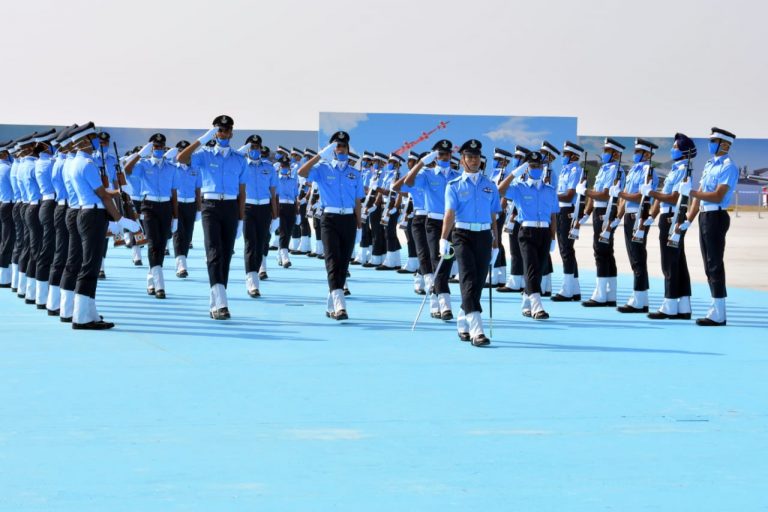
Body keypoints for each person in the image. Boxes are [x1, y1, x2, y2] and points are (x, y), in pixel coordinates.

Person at [69, 122, 141, 329]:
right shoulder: (87, 164)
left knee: (91, 265)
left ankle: (89, 313)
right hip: (92, 214)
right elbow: (102, 194)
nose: (95, 142)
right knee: (89, 265)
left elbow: (102, 192)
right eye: (92, 138)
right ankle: (81, 317)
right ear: (84, 141)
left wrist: (118, 193)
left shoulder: (78, 162)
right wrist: (120, 215)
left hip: (89, 212)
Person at [176, 115, 246, 320]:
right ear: (215, 132)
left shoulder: (239, 159)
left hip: (231, 206)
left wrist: (241, 218)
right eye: (219, 130)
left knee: (226, 254)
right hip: (210, 206)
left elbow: (242, 191)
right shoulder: (204, 154)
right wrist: (201, 140)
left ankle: (216, 300)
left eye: (226, 130)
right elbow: (181, 158)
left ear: (231, 132)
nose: (223, 134)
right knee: (214, 251)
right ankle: (222, 303)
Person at [297, 131, 363, 320]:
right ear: (332, 149)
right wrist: (320, 156)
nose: (341, 149)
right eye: (337, 146)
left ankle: (332, 304)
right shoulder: (322, 168)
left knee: (343, 263)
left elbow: (358, 200)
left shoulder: (354, 173)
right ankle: (341, 306)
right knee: (332, 260)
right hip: (329, 219)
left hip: (349, 219)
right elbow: (302, 173)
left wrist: (359, 224)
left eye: (343, 146)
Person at [441, 139, 500, 346]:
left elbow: (494, 215)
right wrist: (443, 238)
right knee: (467, 279)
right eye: (470, 157)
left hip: (484, 236)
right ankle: (477, 331)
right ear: (462, 160)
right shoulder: (454, 186)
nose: (474, 160)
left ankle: (462, 320)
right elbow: (449, 214)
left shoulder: (490, 186)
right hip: (462, 235)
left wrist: (496, 242)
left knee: (478, 283)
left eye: (476, 157)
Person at [682, 127, 739, 326]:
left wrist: (692, 193)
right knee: (708, 265)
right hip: (705, 216)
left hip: (716, 216)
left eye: (714, 140)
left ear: (725, 144)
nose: (710, 144)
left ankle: (719, 312)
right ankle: (715, 308)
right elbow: (700, 195)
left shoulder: (728, 166)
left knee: (715, 263)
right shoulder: (709, 164)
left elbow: (717, 195)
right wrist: (688, 219)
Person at [402, 139, 460, 320]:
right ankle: (445, 304)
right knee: (437, 262)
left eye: (447, 154)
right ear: (434, 156)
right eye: (440, 154)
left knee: (447, 264)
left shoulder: (457, 175)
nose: (445, 157)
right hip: (434, 223)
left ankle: (435, 302)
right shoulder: (427, 174)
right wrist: (421, 163)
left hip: (452, 224)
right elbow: (408, 182)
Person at [499, 152, 559, 319]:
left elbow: (553, 215)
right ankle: (537, 306)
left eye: (538, 166)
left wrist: (553, 237)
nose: (536, 169)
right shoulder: (519, 187)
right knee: (531, 268)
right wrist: (514, 173)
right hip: (526, 232)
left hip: (545, 232)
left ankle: (527, 302)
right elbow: (500, 191)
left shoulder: (550, 190)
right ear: (526, 168)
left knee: (538, 270)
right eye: (532, 166)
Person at [646, 133, 695, 320]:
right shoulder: (676, 170)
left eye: (675, 147)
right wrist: (652, 215)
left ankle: (669, 304)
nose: (672, 149)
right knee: (678, 261)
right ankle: (683, 306)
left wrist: (650, 192)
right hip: (667, 216)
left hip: (672, 218)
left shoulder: (683, 170)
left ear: (683, 151)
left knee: (670, 262)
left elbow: (674, 198)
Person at [125, 133, 178, 299]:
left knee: (161, 245)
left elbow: (174, 192)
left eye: (161, 147)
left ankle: (151, 280)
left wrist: (175, 216)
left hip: (166, 207)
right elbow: (127, 170)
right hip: (148, 206)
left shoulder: (171, 167)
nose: (159, 149)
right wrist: (140, 153)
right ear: (151, 148)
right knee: (153, 243)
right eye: (155, 147)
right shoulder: (143, 164)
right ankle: (160, 285)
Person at [578, 137, 625, 307]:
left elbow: (604, 195)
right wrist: (586, 213)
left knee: (601, 251)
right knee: (605, 251)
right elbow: (595, 195)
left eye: (606, 151)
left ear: (614, 154)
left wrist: (585, 191)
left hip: (607, 210)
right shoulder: (604, 169)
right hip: (599, 210)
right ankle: (610, 294)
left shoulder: (615, 170)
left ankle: (600, 295)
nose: (603, 153)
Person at [615, 138, 659, 313]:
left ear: (647, 154)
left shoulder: (649, 172)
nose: (635, 154)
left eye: (639, 152)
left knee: (638, 257)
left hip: (639, 215)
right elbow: (625, 199)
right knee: (634, 256)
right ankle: (641, 297)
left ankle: (639, 299)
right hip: (629, 215)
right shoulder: (634, 170)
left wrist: (620, 193)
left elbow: (640, 197)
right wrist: (617, 218)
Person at [242, 134, 278, 297]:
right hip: (248, 208)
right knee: (251, 244)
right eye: (252, 147)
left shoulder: (268, 167)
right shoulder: (241, 165)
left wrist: (275, 214)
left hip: (264, 208)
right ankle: (252, 282)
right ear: (247, 148)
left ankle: (255, 272)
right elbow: (238, 191)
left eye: (257, 147)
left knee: (261, 243)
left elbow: (273, 192)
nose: (255, 150)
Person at [552, 140, 584, 301]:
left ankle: (567, 289)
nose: (563, 156)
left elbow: (570, 194)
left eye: (565, 154)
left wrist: (551, 195)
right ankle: (575, 289)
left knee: (566, 250)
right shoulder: (565, 170)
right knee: (566, 249)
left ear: (573, 156)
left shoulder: (575, 170)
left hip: (568, 211)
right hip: (560, 210)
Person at [497, 145, 532, 293]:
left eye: (518, 158)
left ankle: (518, 281)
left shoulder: (524, 175)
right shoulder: (515, 175)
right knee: (515, 249)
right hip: (512, 211)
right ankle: (517, 280)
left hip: (518, 214)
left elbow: (524, 197)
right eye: (515, 157)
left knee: (518, 249)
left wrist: (514, 214)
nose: (515, 160)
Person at [165, 140, 201, 278]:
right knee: (179, 234)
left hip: (191, 205)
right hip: (177, 204)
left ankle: (182, 260)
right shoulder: (172, 168)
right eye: (181, 151)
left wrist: (198, 209)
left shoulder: (195, 170)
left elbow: (198, 190)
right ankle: (181, 265)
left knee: (188, 235)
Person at [275, 152, 299, 268]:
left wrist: (297, 212)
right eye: (282, 166)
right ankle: (285, 257)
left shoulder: (293, 180)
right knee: (283, 231)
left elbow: (295, 197)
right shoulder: (275, 179)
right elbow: (274, 196)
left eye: (286, 166)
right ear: (279, 167)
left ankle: (280, 253)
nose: (284, 168)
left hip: (291, 207)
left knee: (288, 232)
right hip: (280, 206)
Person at [0, 140, 15, 288]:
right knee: (8, 239)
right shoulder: (8, 168)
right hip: (8, 203)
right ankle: (4, 277)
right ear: (4, 154)